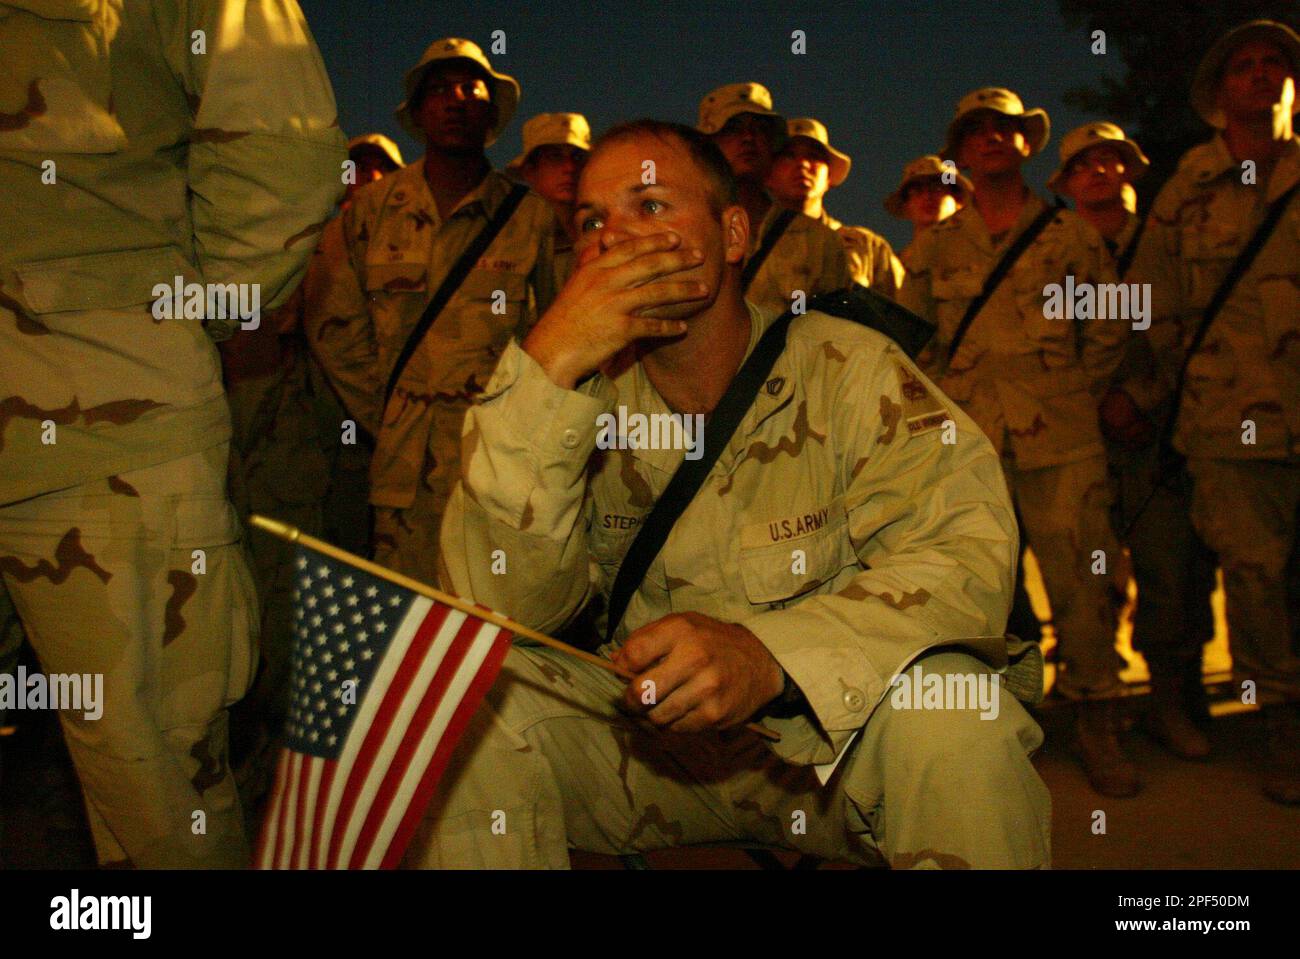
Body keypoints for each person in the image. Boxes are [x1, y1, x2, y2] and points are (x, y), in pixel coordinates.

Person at [403, 119, 1050, 870]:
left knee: (958, 710)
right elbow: (495, 606)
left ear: (734, 233)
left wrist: (768, 656)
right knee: (456, 709)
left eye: (650, 207)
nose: (615, 238)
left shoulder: (851, 367)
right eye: (591, 221)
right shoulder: (571, 399)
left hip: (839, 747)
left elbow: (963, 557)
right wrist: (546, 371)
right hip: (650, 752)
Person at [0, 0, 345, 867]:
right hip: (96, 419)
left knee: (154, 805)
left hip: (98, 426)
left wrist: (165, 318)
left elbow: (283, 152)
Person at [898, 88, 1136, 797]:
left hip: (1063, 442)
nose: (991, 139)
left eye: (1004, 129)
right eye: (975, 132)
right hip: (970, 446)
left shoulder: (1070, 237)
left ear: (1027, 144)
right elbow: (913, 346)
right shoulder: (937, 245)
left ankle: (1097, 721)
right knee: (988, 594)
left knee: (1083, 586)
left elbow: (1108, 328)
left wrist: (1066, 393)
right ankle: (1012, 720)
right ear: (960, 153)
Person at [305, 37, 559, 586]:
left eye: (471, 88)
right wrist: (396, 411)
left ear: (491, 111)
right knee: (406, 622)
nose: (456, 100)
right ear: (419, 113)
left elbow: (559, 330)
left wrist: (515, 420)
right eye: (439, 90)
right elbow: (333, 324)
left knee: (497, 626)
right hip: (403, 472)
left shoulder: (530, 217)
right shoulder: (370, 212)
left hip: (500, 467)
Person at [1129, 20, 1300, 804]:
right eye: (1245, 67)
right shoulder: (1188, 186)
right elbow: (1155, 308)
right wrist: (1147, 400)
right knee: (1257, 576)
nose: (1261, 75)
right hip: (1233, 422)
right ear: (1219, 92)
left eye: (1276, 65)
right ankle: (1282, 727)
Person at [224, 132, 405, 814]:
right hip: (276, 466)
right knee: (265, 644)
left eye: (380, 174)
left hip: (358, 476)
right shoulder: (289, 243)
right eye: (354, 172)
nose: (365, 184)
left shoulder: (392, 263)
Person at [1052, 122, 1217, 761]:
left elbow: (1195, 330)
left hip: (1157, 434)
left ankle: (1169, 702)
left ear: (1130, 171)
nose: (1099, 172)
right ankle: (1100, 711)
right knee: (1086, 579)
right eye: (1084, 165)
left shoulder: (1165, 241)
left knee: (1170, 572)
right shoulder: (1053, 246)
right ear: (1065, 183)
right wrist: (1091, 404)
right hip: (1076, 434)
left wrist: (1141, 400)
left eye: (1112, 162)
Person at [697, 84, 854, 316]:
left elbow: (839, 338)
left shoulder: (820, 242)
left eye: (760, 129)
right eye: (733, 128)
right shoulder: (679, 229)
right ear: (707, 144)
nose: (749, 138)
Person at [768, 118, 904, 297]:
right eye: (789, 156)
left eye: (814, 156)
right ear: (768, 175)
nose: (803, 164)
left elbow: (901, 314)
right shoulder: (745, 243)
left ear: (829, 177)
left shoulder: (868, 248)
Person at [507, 112, 592, 278]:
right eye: (555, 157)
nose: (570, 167)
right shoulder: (507, 241)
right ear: (529, 171)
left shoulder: (608, 235)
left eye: (578, 157)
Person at [884, 154, 973, 261]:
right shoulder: (894, 267)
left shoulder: (979, 255)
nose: (927, 196)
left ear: (958, 200)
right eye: (917, 191)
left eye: (937, 188)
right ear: (906, 206)